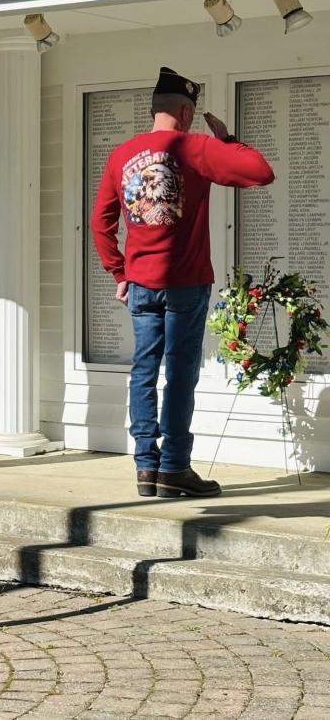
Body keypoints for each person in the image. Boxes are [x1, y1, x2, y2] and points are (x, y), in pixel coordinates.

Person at [90, 66, 274, 500]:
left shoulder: (122, 155)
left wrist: (119, 272)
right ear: (187, 111)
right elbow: (260, 171)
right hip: (186, 283)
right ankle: (174, 467)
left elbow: (101, 222)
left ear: (153, 110)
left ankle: (145, 468)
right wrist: (227, 140)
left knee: (143, 370)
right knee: (180, 374)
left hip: (141, 283)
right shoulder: (195, 148)